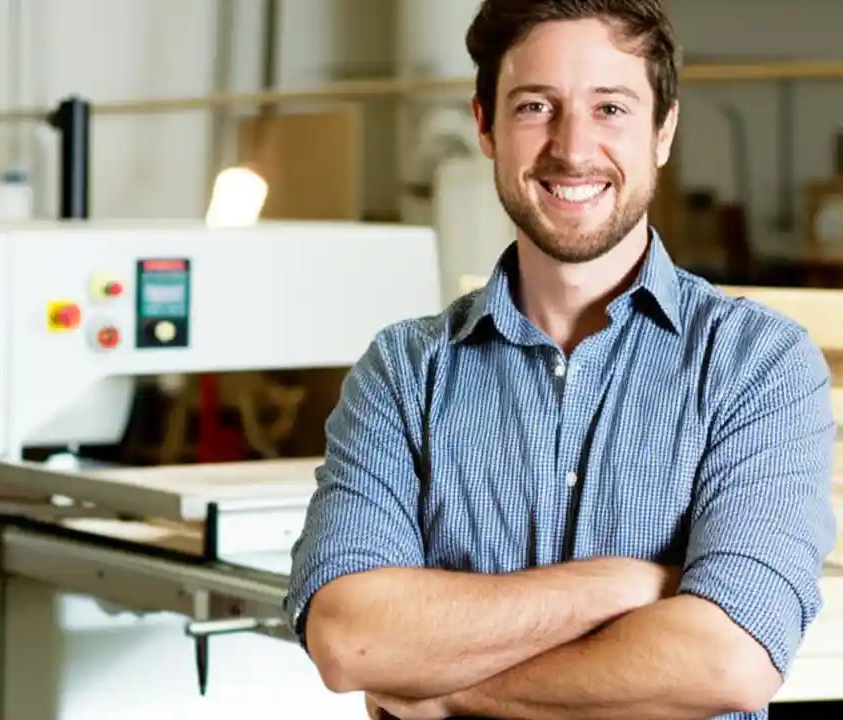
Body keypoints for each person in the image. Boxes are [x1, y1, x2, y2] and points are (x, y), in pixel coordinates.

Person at [283, 1, 838, 718]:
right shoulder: (404, 372)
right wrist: (621, 586)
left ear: (662, 131)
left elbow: (728, 658)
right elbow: (350, 642)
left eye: (610, 107)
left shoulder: (758, 366)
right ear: (484, 125)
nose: (573, 150)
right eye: (536, 106)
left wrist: (452, 692)